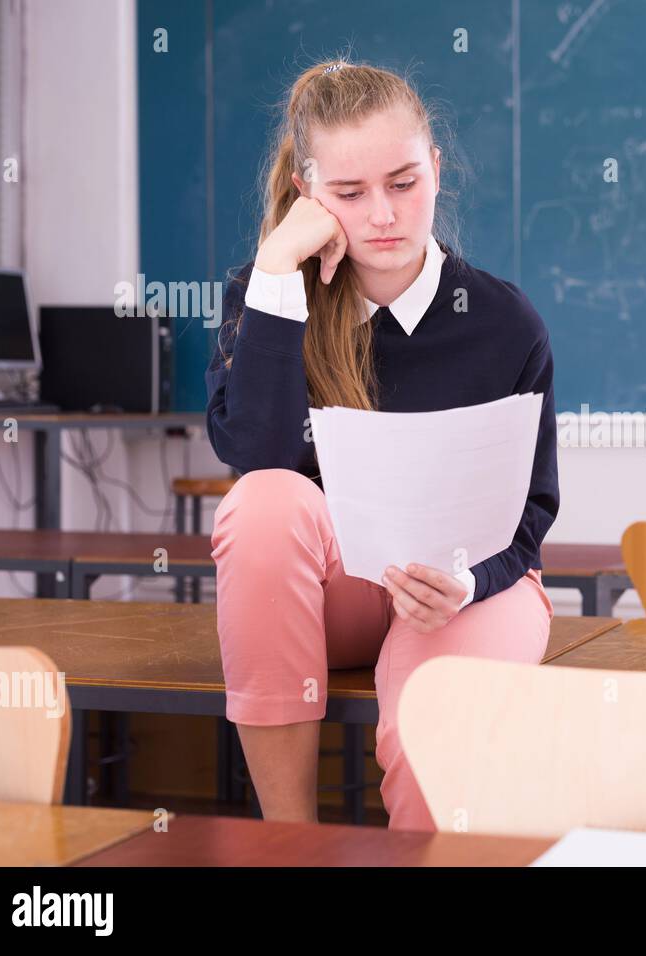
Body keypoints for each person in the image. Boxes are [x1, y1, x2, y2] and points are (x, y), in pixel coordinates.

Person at [205, 59, 558, 830]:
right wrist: (274, 272)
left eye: (403, 182)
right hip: (338, 595)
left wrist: (468, 584)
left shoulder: (503, 322)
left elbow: (532, 509)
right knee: (267, 501)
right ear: (308, 193)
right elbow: (255, 455)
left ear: (436, 168)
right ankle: (289, 843)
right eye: (349, 192)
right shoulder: (265, 295)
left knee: (437, 713)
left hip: (473, 587)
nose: (384, 215)